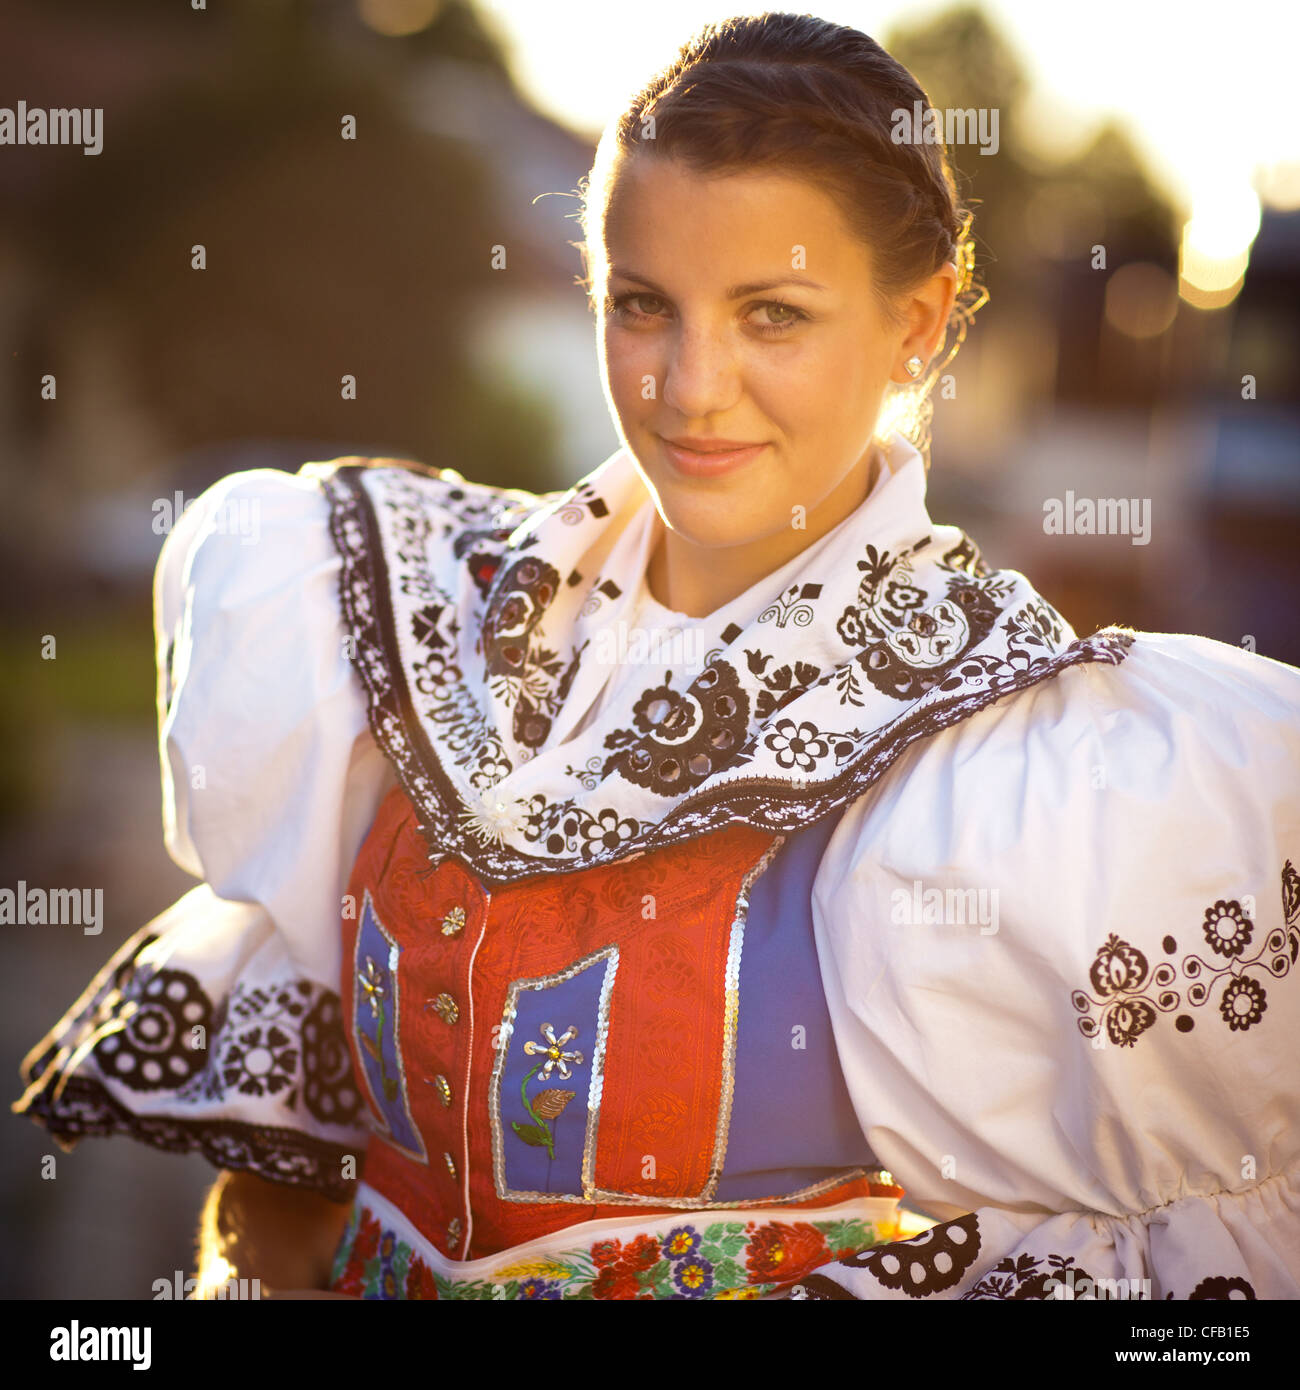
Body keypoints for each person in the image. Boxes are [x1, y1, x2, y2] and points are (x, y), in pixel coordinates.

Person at [15, 12, 1300, 1301]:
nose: (691, 387)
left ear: (918, 325)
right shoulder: (387, 600)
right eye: (643, 305)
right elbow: (275, 1213)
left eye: (773, 316)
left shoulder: (1039, 772)